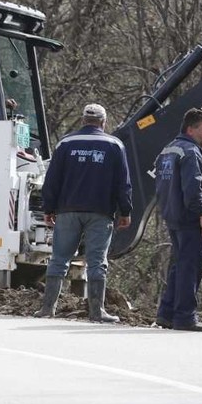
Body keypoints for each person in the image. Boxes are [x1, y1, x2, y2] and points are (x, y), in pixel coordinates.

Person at [38, 103, 133, 323]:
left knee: (59, 259)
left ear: (83, 121)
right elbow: (123, 183)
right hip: (101, 212)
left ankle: (47, 309)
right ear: (103, 122)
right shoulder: (114, 145)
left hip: (68, 211)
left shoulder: (66, 143)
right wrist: (125, 210)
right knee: (97, 261)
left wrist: (49, 208)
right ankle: (97, 312)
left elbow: (52, 181)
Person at [154, 109, 202, 332]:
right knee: (190, 267)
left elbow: (160, 186)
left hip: (173, 216)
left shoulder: (167, 150)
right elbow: (192, 188)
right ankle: (185, 317)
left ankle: (166, 313)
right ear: (190, 129)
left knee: (179, 266)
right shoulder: (190, 152)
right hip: (191, 219)